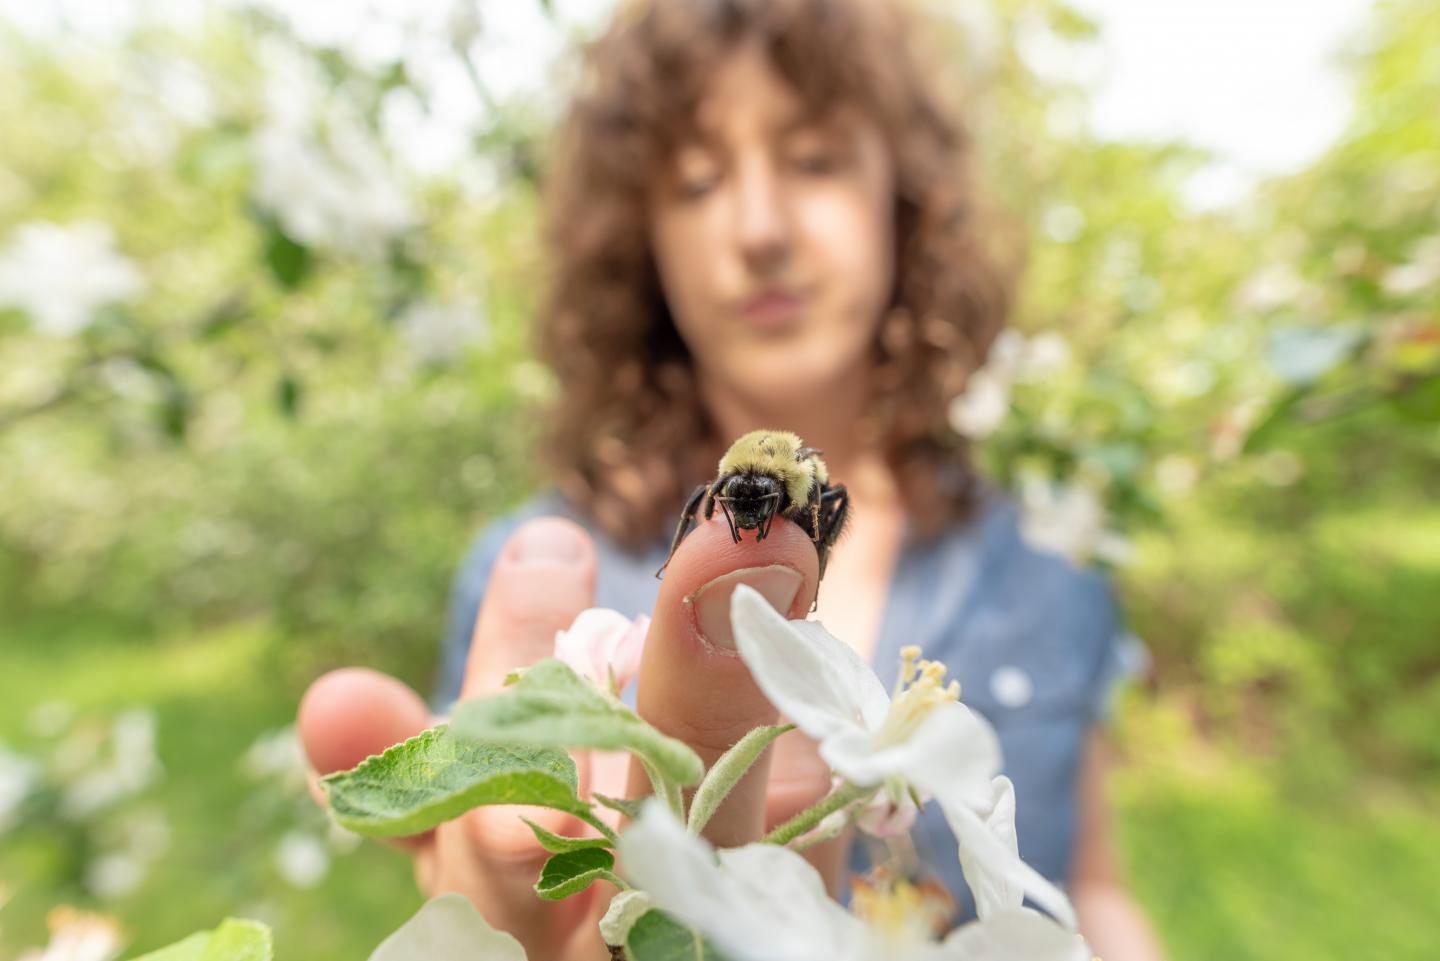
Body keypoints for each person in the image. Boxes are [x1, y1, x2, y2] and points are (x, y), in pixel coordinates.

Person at [298, 1, 1167, 958]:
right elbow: (482, 828)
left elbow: (1089, 885)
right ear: (643, 240)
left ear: (904, 201)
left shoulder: (1054, 557)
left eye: (815, 159)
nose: (757, 226)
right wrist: (494, 906)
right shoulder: (549, 572)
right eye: (698, 179)